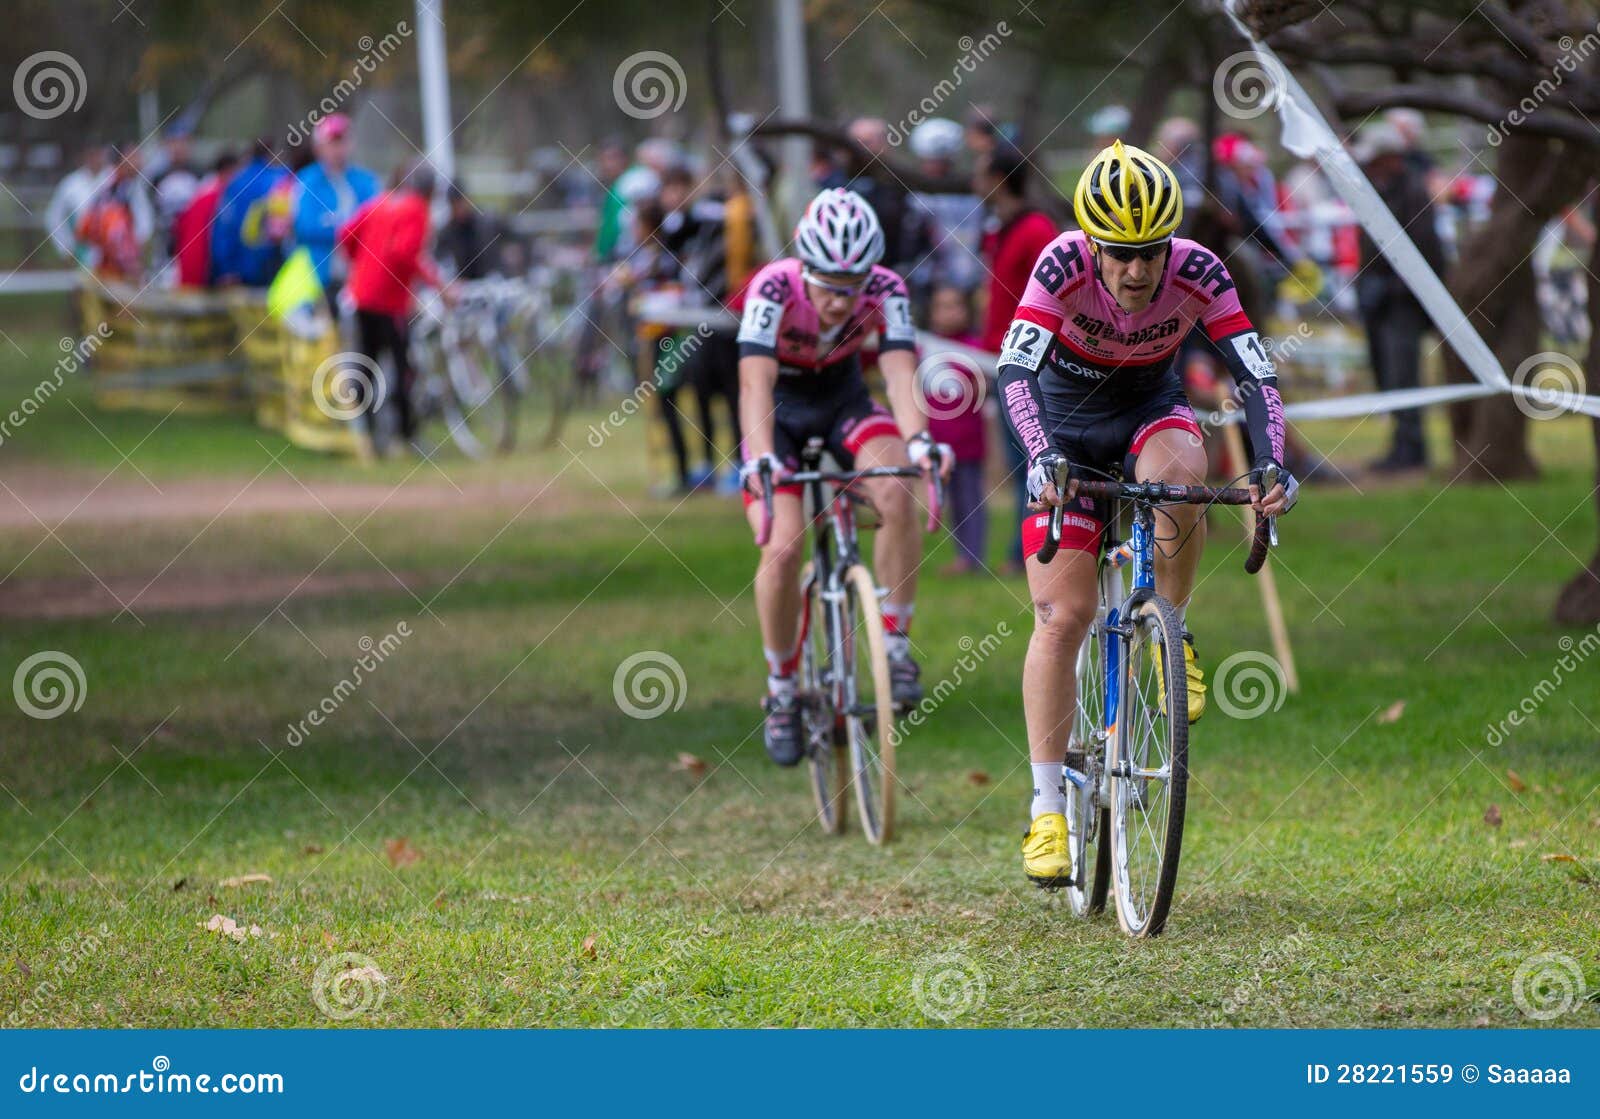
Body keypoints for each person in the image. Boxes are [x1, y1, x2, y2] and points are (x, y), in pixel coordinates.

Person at [997, 141, 1298, 885]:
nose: (1138, 271)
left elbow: (1254, 372)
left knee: (1181, 475)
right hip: (1065, 428)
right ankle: (1047, 810)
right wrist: (1039, 456)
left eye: (1151, 252)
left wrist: (1271, 462)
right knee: (1061, 617)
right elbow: (1013, 368)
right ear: (1095, 244)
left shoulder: (1199, 270)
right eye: (1122, 253)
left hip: (1147, 411)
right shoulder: (1060, 266)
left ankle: (1173, 627)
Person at [733, 188, 951, 765]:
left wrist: (921, 441)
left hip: (843, 400)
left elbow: (900, 373)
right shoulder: (773, 287)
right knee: (782, 549)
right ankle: (782, 693)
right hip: (776, 412)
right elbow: (753, 384)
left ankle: (896, 645)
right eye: (829, 287)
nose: (839, 302)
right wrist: (758, 457)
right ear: (806, 267)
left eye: (850, 290)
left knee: (899, 487)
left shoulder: (887, 289)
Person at [974, 144, 1058, 574]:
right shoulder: (997, 228)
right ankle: (1026, 544)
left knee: (1031, 455)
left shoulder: (1036, 229)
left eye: (981, 172)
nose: (974, 180)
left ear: (1000, 180)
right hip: (996, 357)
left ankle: (1029, 548)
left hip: (1031, 361)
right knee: (1012, 461)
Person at [337, 163, 450, 455]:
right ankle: (406, 435)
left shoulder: (380, 202)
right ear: (431, 192)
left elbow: (346, 235)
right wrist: (437, 285)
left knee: (366, 363)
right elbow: (404, 253)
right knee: (404, 367)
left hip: (361, 294)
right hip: (389, 301)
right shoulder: (416, 210)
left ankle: (365, 435)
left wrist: (361, 265)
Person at [1352, 122, 1445, 473]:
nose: (1370, 167)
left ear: (1391, 158)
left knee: (1404, 373)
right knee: (1387, 372)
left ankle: (1411, 448)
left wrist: (1389, 289)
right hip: (1380, 301)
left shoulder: (1413, 192)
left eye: (1376, 160)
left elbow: (1423, 254)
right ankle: (1401, 443)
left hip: (1402, 303)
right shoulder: (1380, 191)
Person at [925, 286, 987, 574]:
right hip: (937, 445)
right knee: (949, 503)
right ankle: (961, 555)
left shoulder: (975, 350)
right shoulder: (923, 349)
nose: (949, 312)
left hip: (968, 443)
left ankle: (972, 558)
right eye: (942, 306)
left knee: (970, 501)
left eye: (955, 305)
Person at [292, 113, 381, 304]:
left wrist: (338, 226)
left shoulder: (365, 180)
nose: (337, 149)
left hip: (358, 276)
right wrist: (348, 230)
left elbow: (375, 223)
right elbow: (305, 227)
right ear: (319, 148)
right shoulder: (308, 181)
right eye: (332, 143)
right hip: (318, 277)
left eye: (341, 142)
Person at [210, 138, 288, 287]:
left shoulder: (236, 183)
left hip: (240, 270)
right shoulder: (281, 180)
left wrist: (226, 269)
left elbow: (224, 228)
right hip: (276, 266)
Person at [75, 146, 153, 281]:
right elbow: (95, 228)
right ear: (121, 159)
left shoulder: (131, 185)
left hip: (117, 265)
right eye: (133, 157)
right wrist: (131, 261)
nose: (139, 161)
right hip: (109, 268)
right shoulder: (109, 186)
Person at [172, 151, 239, 287]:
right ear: (228, 172)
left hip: (188, 269)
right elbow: (219, 240)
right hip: (202, 272)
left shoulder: (202, 192)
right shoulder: (219, 197)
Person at [44, 145, 109, 264]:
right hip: (81, 252)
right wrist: (65, 248)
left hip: (112, 256)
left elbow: (139, 214)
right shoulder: (70, 184)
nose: (95, 159)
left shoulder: (114, 180)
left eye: (98, 154)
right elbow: (53, 217)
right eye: (91, 154)